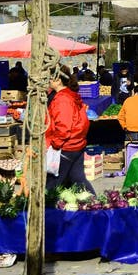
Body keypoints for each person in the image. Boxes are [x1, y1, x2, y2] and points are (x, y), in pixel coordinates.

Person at [45, 64, 94, 193]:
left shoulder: (62, 99)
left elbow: (64, 126)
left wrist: (55, 145)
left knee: (52, 183)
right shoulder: (69, 96)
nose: (47, 80)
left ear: (58, 79)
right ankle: (96, 206)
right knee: (78, 179)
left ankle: (45, 209)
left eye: (49, 77)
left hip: (66, 147)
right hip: (76, 144)